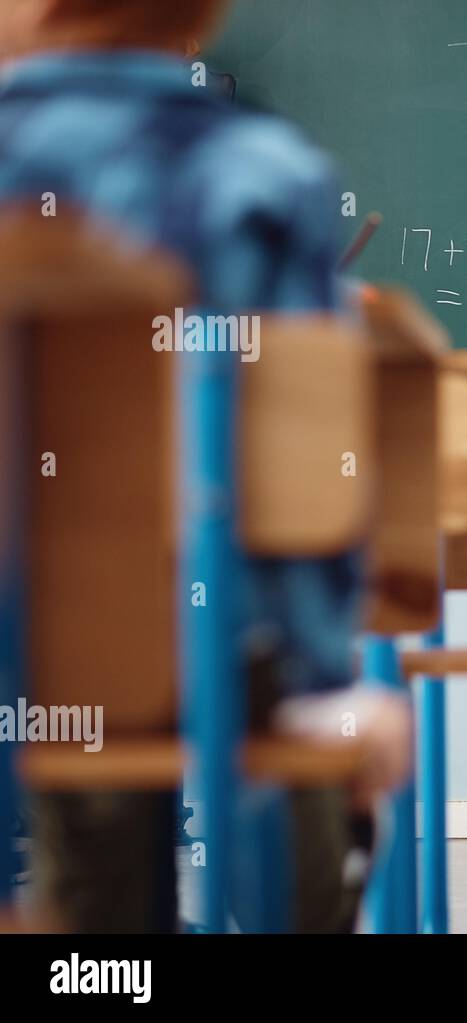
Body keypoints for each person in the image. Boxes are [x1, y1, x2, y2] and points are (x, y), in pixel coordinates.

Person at [0, 0, 409, 931]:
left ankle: (102, 959)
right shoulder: (267, 172)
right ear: (203, 17)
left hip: (31, 631)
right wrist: (325, 683)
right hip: (216, 628)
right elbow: (311, 472)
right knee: (234, 676)